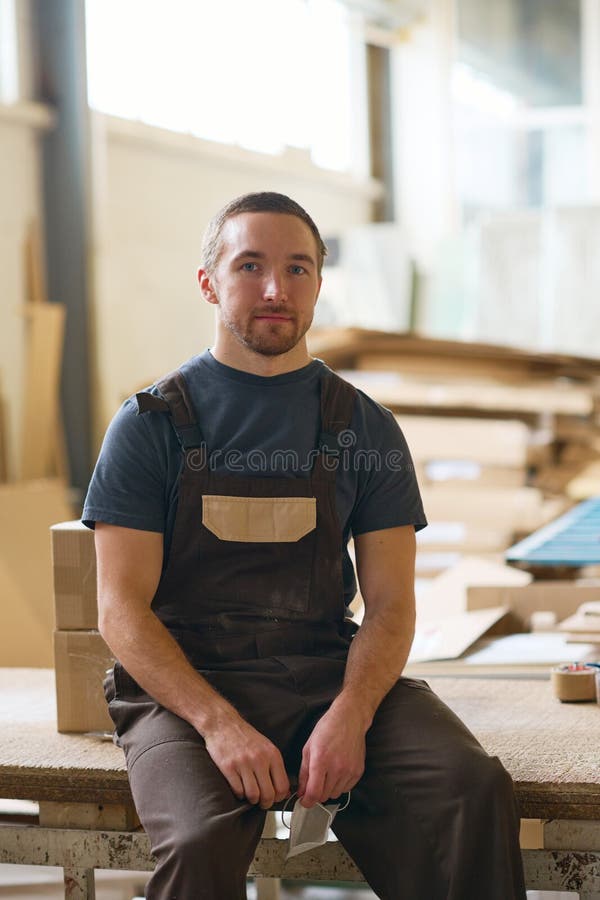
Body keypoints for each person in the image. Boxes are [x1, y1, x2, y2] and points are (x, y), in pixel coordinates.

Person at [83, 191, 526, 900]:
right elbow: (121, 611)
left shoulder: (364, 428)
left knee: (469, 788)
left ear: (319, 283)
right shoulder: (151, 425)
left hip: (324, 671)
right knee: (200, 841)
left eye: (297, 269)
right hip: (184, 689)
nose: (274, 289)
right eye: (250, 265)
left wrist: (349, 716)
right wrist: (219, 726)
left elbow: (388, 607)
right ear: (209, 282)